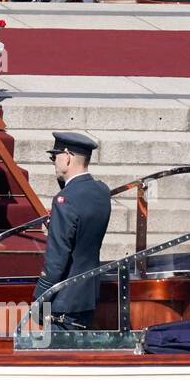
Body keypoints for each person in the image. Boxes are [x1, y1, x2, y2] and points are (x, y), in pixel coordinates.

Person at [33, 132, 112, 330]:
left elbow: (56, 261)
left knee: (57, 350)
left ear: (67, 157)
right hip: (88, 295)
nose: (53, 162)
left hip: (64, 300)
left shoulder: (65, 200)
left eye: (54, 157)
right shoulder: (101, 191)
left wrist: (39, 298)